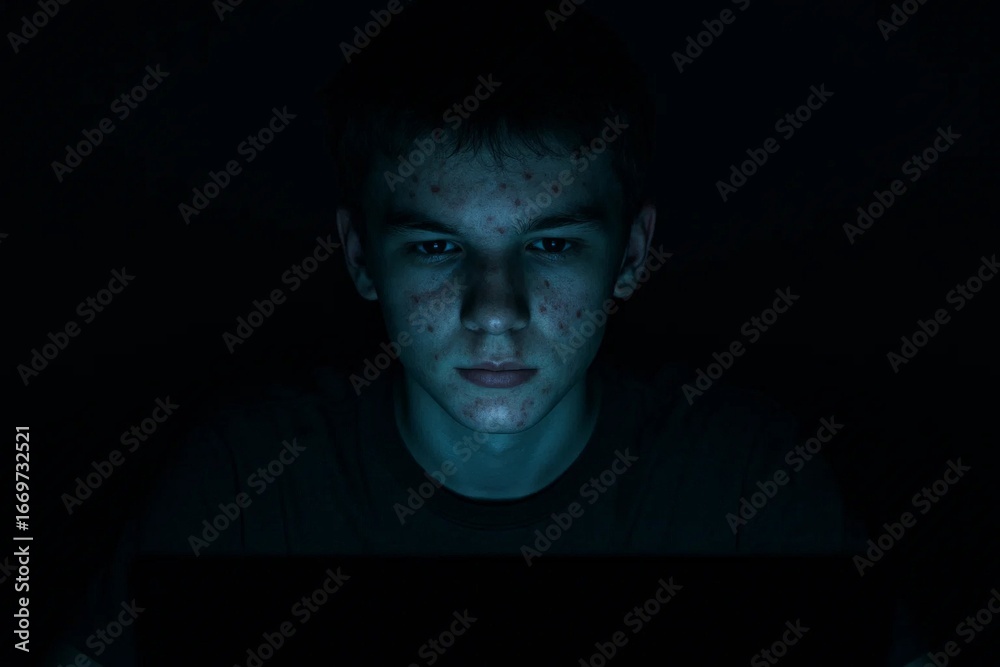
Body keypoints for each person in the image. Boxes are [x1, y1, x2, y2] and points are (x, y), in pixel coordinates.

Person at [47, 0, 915, 664]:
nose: (494, 308)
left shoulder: (742, 483)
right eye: (435, 246)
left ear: (632, 252)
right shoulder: (247, 482)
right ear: (360, 259)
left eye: (550, 244)